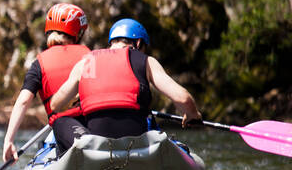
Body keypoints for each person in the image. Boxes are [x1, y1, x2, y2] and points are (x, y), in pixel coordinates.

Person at [47, 18, 202, 148]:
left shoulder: (86, 62)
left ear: (111, 43)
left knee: (60, 122)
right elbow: (183, 99)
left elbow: (56, 105)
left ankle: (65, 162)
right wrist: (192, 114)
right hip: (136, 140)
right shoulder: (146, 61)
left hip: (96, 142)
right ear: (139, 43)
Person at [2, 3, 91, 162]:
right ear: (77, 33)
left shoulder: (39, 64)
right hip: (97, 120)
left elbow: (23, 101)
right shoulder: (90, 56)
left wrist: (8, 140)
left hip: (65, 125)